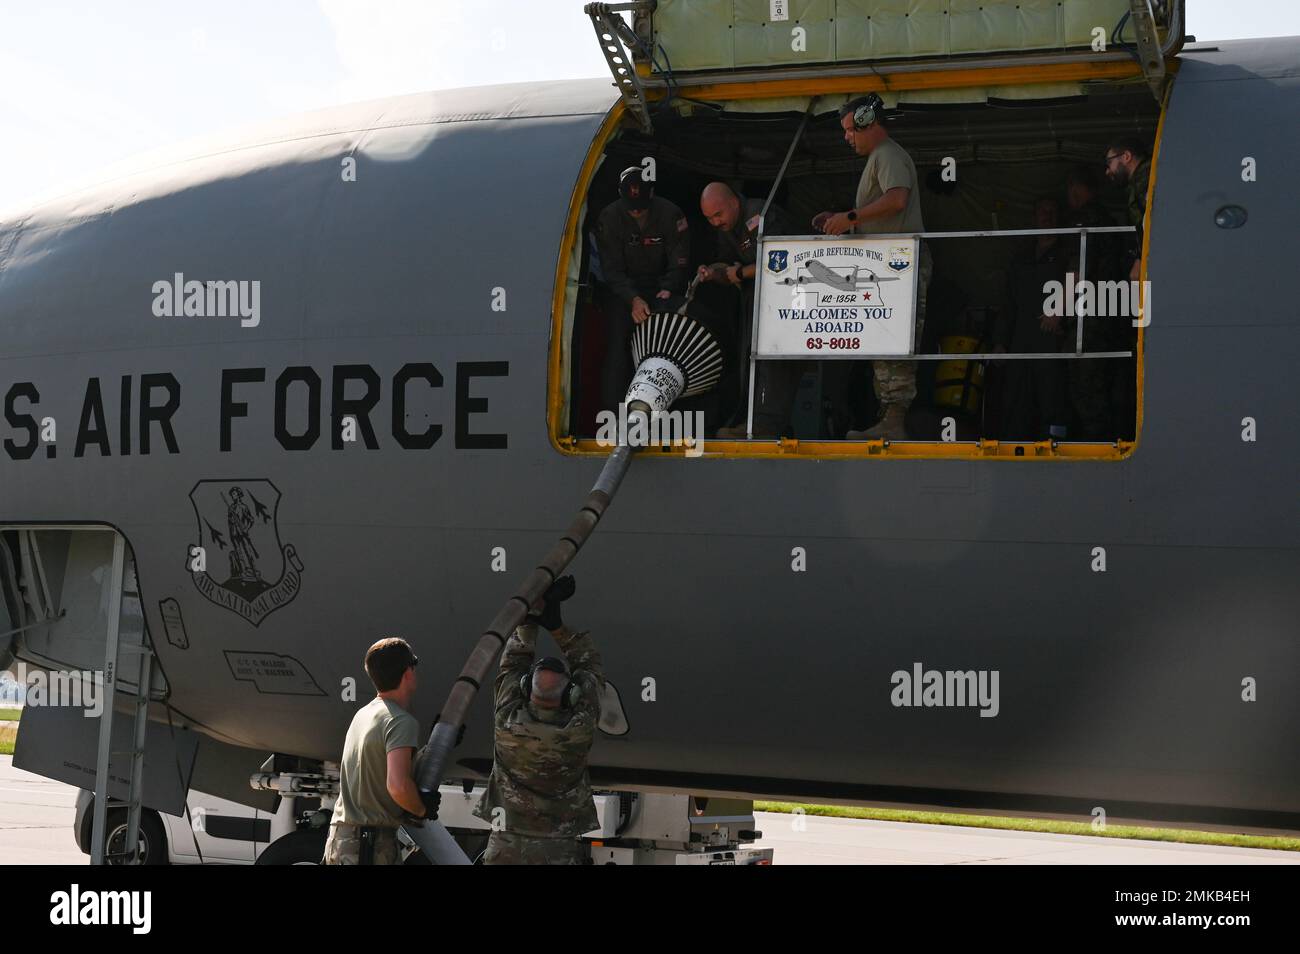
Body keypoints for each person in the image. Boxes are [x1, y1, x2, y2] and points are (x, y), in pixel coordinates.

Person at [814, 93, 932, 441]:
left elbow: (897, 199)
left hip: (900, 265)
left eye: (850, 129)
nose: (846, 137)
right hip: (890, 267)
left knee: (896, 340)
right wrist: (842, 221)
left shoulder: (888, 154)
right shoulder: (880, 158)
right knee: (884, 340)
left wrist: (850, 217)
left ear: (868, 122)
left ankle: (895, 421)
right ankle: (888, 418)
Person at [474, 576, 603, 864]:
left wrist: (531, 617)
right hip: (558, 848)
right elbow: (589, 666)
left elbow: (513, 661)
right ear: (570, 693)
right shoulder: (579, 729)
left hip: (505, 843)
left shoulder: (507, 720)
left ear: (525, 688)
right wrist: (556, 625)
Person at [697, 181, 802, 438]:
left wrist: (742, 272)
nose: (715, 223)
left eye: (718, 215)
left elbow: (783, 258)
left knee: (773, 360)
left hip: (788, 299)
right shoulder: (727, 226)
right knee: (750, 358)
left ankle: (768, 424)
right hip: (755, 300)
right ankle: (752, 421)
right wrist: (714, 272)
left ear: (734, 202)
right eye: (709, 218)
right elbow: (730, 268)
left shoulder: (763, 215)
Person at [323, 637, 438, 864]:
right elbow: (397, 786)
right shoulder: (401, 722)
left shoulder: (363, 715)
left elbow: (373, 773)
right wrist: (421, 808)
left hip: (342, 839)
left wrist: (432, 748)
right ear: (408, 673)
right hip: (370, 846)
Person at [594, 167, 691, 413]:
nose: (636, 210)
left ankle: (671, 413)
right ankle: (615, 414)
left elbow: (680, 260)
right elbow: (611, 270)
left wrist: (669, 288)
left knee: (673, 340)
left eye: (641, 205)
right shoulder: (609, 217)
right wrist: (633, 299)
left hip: (661, 287)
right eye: (631, 205)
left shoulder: (670, 214)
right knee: (619, 343)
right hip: (623, 291)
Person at [993, 197, 1069, 440]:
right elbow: (1008, 303)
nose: (1047, 216)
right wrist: (1000, 341)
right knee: (1016, 396)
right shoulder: (1021, 257)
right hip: (1021, 337)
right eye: (1042, 212)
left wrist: (1063, 320)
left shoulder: (1067, 255)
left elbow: (1082, 292)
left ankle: (1055, 444)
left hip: (1052, 338)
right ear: (1034, 218)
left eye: (1051, 211)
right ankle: (1015, 446)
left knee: (1052, 396)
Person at [1062, 165, 1122, 440]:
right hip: (1111, 310)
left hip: (1090, 314)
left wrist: (1057, 307)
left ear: (1076, 188)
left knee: (1085, 386)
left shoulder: (1086, 220)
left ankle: (1094, 443)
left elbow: (1079, 269)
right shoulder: (1109, 218)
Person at [1102, 138, 1151, 282]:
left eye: (1109, 162)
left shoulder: (1146, 179)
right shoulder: (1140, 181)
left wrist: (1141, 259)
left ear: (1126, 157)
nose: (1107, 171)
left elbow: (1154, 223)